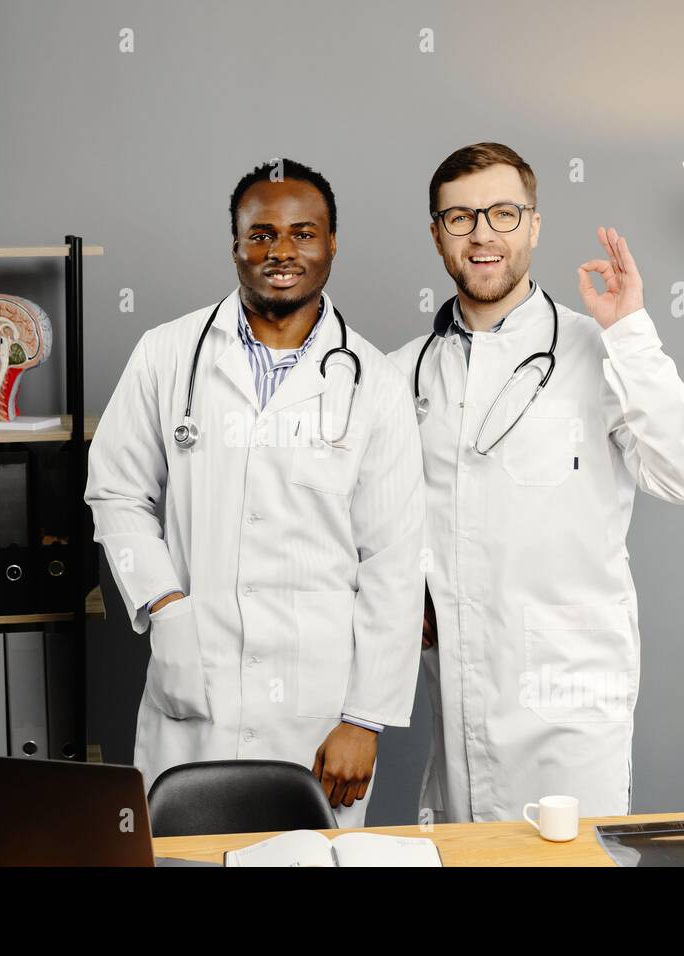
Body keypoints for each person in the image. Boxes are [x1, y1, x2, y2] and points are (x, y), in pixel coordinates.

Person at [85, 159, 424, 825]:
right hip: (194, 680)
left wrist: (366, 718)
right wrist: (167, 606)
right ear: (235, 244)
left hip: (320, 710)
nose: (282, 252)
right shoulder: (167, 355)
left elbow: (394, 558)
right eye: (261, 233)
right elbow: (115, 494)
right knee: (184, 856)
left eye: (304, 233)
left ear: (331, 244)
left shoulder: (375, 383)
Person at [388, 142, 684, 822]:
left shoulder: (601, 348)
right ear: (436, 235)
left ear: (534, 226)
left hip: (572, 695)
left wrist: (630, 331)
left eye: (503, 213)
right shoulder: (402, 374)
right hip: (458, 690)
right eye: (460, 218)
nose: (483, 233)